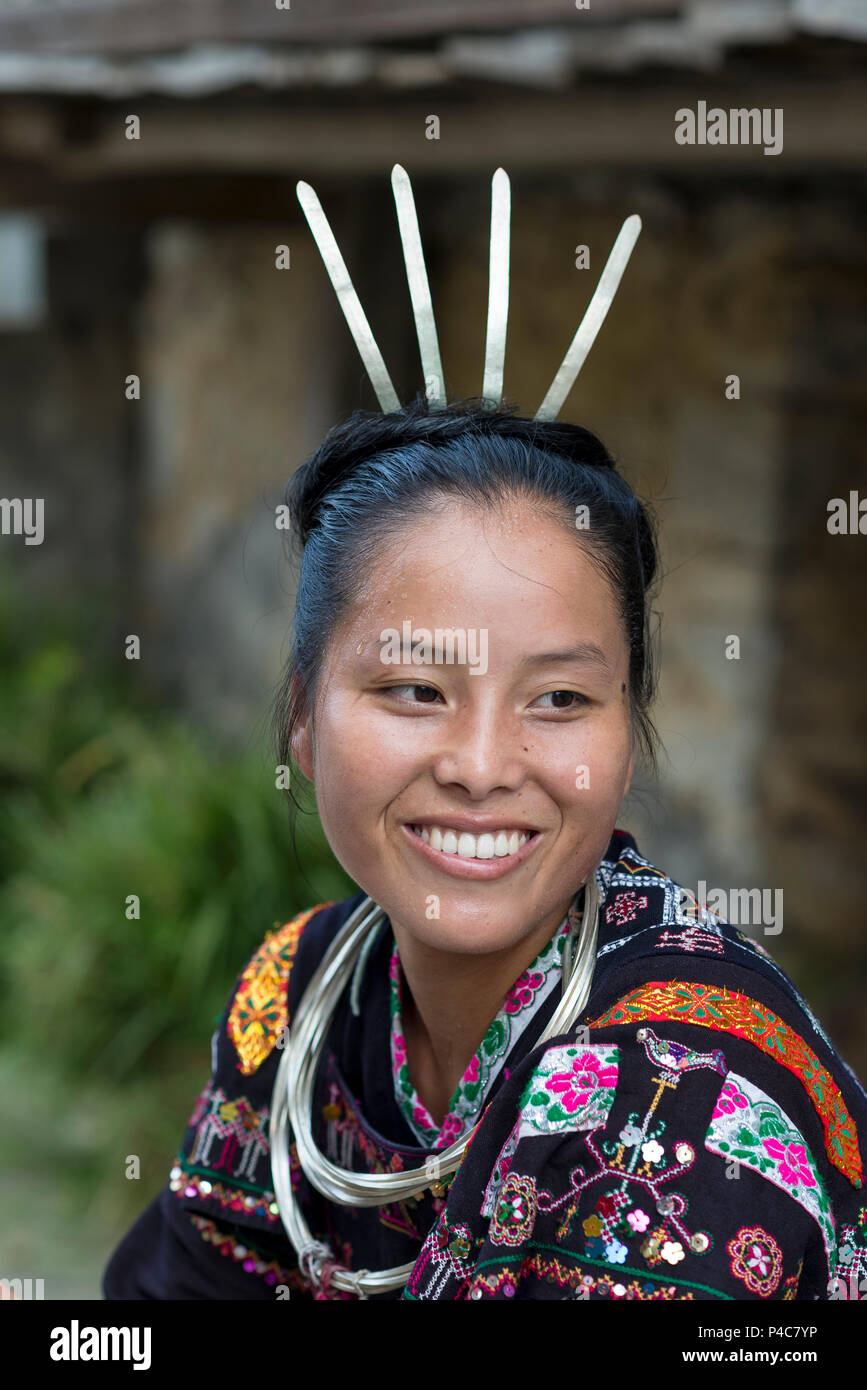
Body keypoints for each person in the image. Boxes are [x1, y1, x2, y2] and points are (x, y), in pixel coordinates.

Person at [102, 393, 867, 1301]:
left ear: (627, 733)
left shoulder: (686, 1095)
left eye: (558, 701)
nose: (480, 767)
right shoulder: (302, 994)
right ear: (304, 717)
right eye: (416, 690)